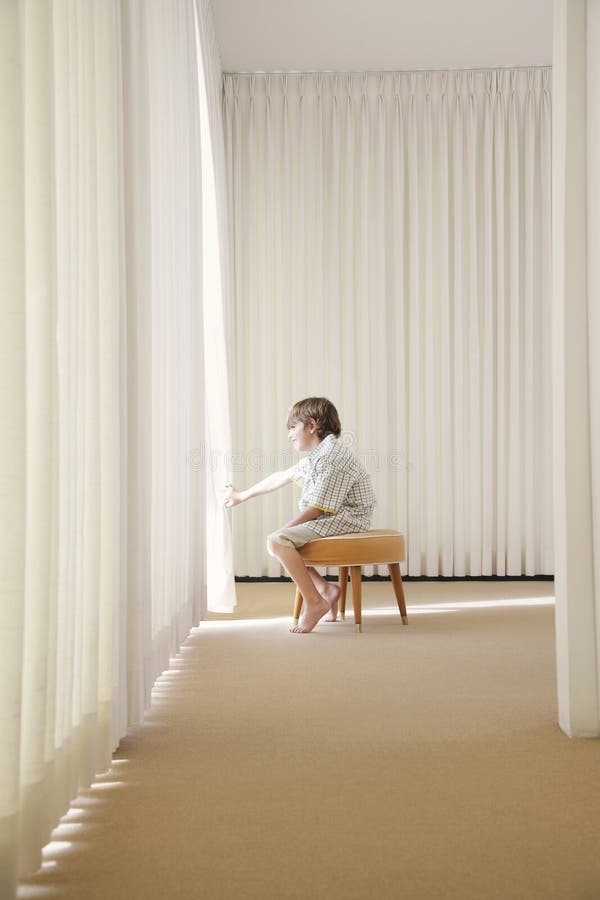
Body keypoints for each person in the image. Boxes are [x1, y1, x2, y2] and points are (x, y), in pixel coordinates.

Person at [224, 397, 376, 634]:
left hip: (350, 518)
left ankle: (315, 603)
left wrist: (282, 534)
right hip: (334, 516)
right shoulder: (318, 456)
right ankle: (327, 590)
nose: (289, 435)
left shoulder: (332, 457)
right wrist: (241, 496)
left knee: (278, 541)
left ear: (312, 425)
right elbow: (281, 477)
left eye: (293, 427)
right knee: (282, 541)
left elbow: (317, 508)